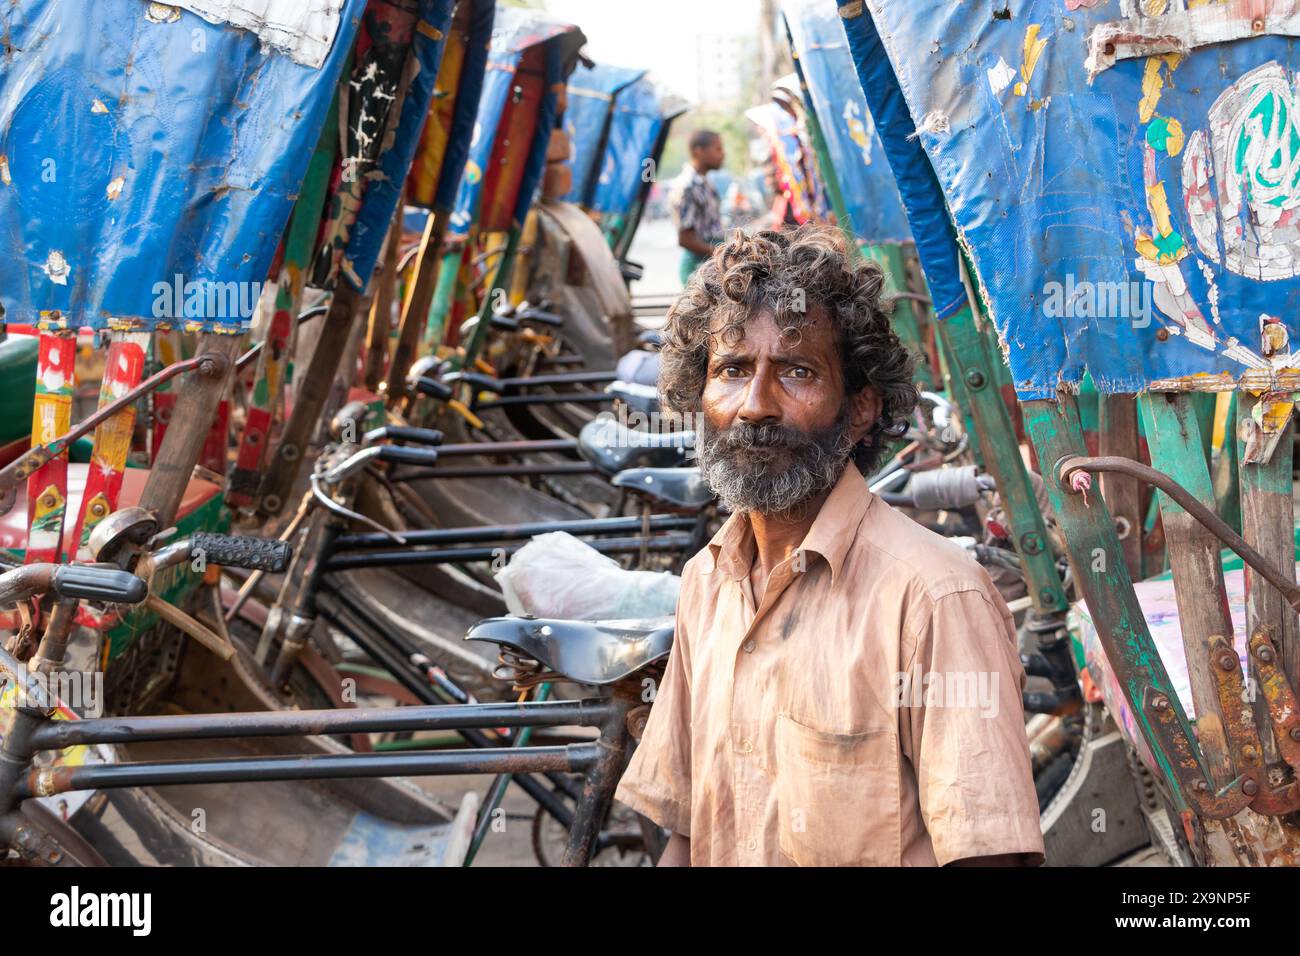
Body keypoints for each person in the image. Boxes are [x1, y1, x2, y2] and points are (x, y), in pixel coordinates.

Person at [615, 224, 1044, 867]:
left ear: (862, 407)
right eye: (731, 369)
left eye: (797, 371)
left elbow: (986, 856)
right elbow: (685, 826)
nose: (755, 405)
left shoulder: (933, 600)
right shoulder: (708, 582)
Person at [669, 130, 725, 283]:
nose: (723, 154)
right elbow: (685, 239)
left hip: (711, 265)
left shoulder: (705, 184)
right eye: (717, 149)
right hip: (698, 269)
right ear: (699, 151)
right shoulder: (688, 186)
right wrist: (722, 253)